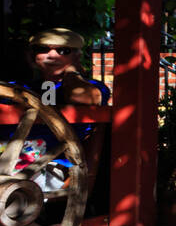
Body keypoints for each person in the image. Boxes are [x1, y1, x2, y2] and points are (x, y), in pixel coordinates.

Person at [13, 28, 109, 192]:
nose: (52, 55)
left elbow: (82, 96)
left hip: (52, 166)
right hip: (9, 157)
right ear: (32, 56)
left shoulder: (92, 87)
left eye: (63, 51)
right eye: (42, 49)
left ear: (77, 56)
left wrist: (72, 73)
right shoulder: (21, 87)